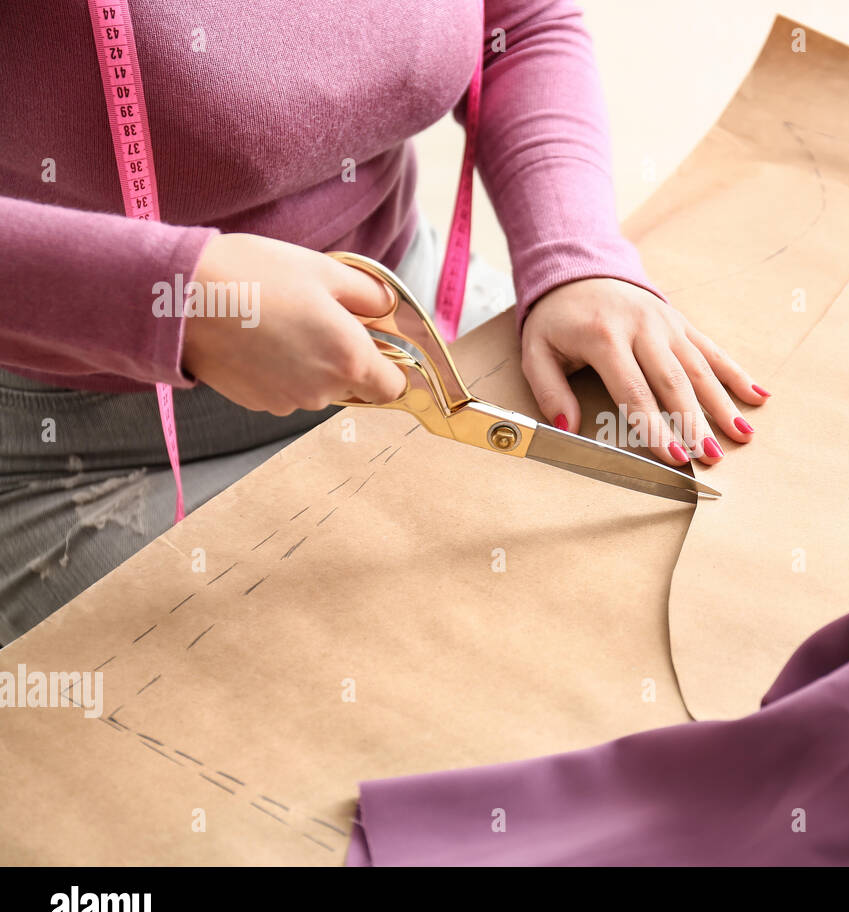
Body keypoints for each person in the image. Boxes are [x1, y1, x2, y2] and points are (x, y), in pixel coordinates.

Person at [0, 0, 767, 645]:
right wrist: (176, 296)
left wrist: (576, 251)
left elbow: (518, 22)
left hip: (418, 326)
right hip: (78, 451)